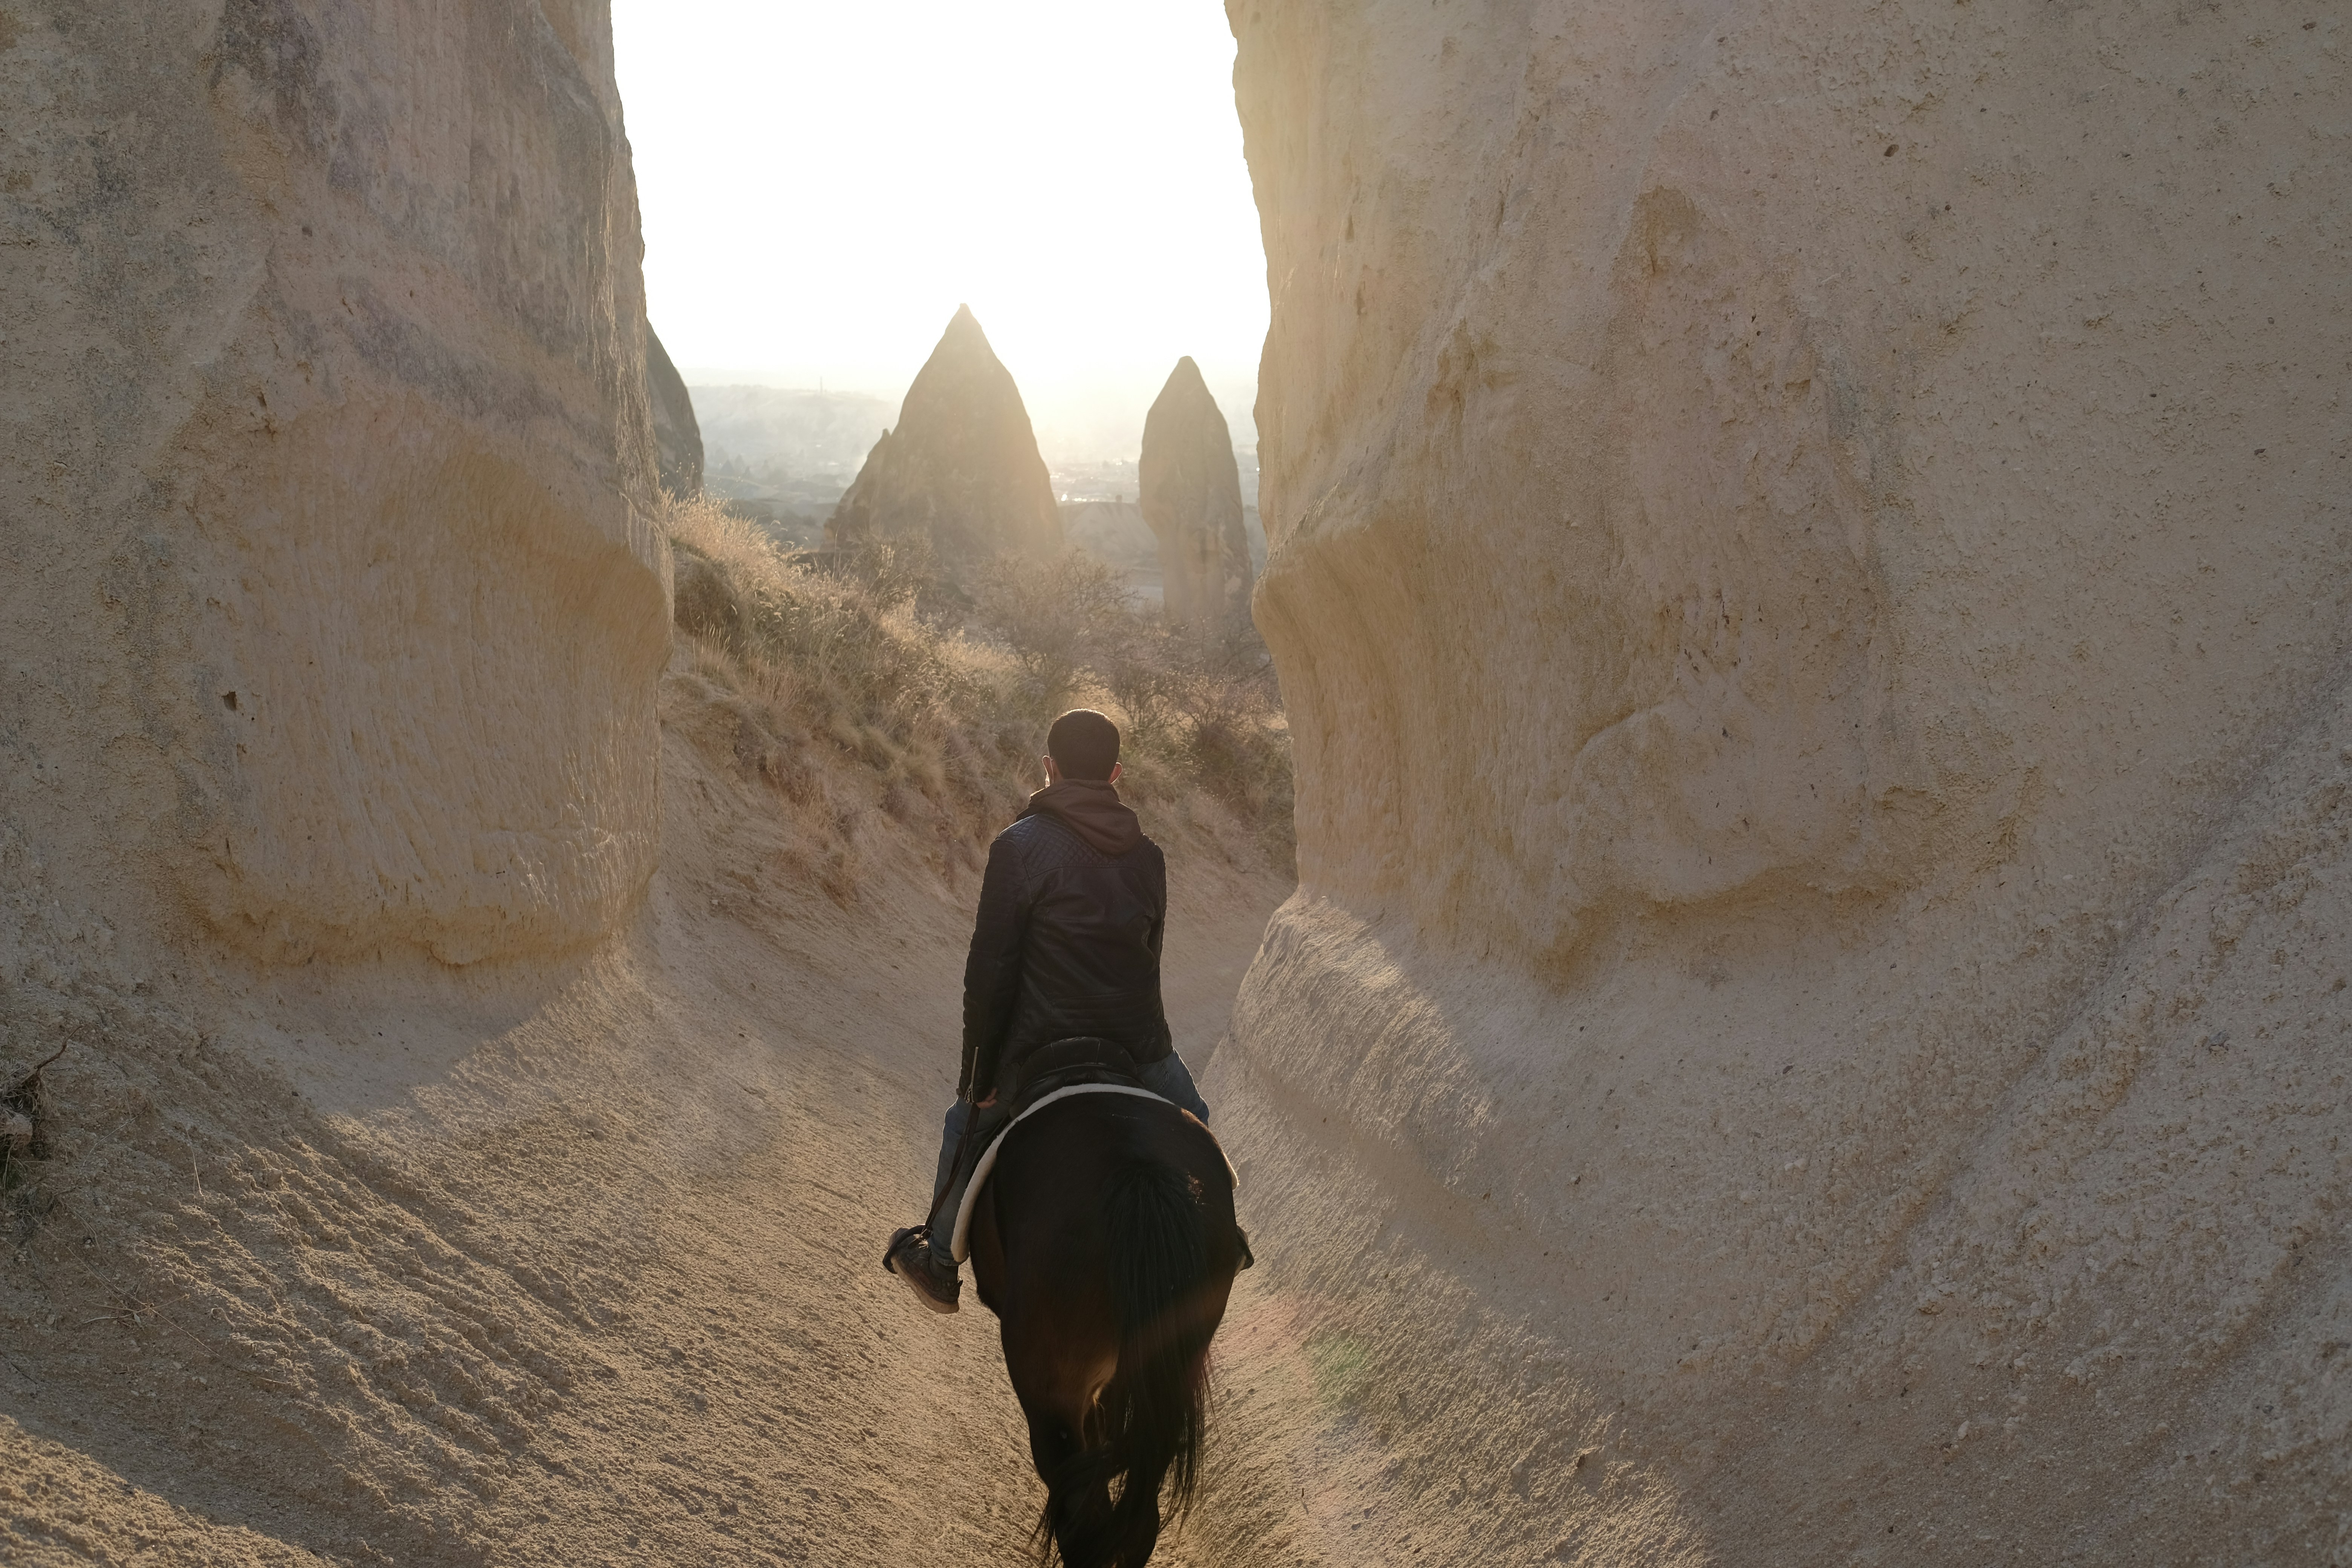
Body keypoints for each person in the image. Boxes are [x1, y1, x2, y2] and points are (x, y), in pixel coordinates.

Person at [884, 709, 1210, 1314]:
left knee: (966, 1128)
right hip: (1136, 1045)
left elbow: (990, 972)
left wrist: (979, 1076)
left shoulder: (1018, 847)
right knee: (1198, 1124)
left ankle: (938, 1264)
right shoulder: (1150, 857)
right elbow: (1150, 959)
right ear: (1116, 773)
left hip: (1035, 1047)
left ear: (1049, 769)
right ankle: (1223, 1245)